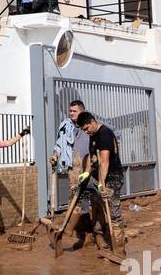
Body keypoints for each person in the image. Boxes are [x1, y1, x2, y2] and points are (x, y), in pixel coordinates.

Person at [72, 111, 125, 250]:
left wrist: (102, 182)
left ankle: (119, 248)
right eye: (83, 130)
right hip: (99, 175)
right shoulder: (93, 135)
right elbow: (92, 157)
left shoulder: (105, 134)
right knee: (96, 204)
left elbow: (104, 161)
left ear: (92, 121)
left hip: (112, 177)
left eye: (86, 128)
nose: (86, 132)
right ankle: (101, 240)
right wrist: (87, 173)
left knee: (113, 212)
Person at [48, 99, 86, 208]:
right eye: (70, 111)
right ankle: (76, 221)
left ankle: (97, 221)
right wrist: (55, 154)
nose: (72, 113)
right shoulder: (65, 126)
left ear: (82, 112)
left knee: (92, 194)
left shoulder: (89, 124)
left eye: (75, 111)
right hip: (73, 166)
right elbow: (59, 144)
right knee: (74, 194)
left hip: (88, 165)